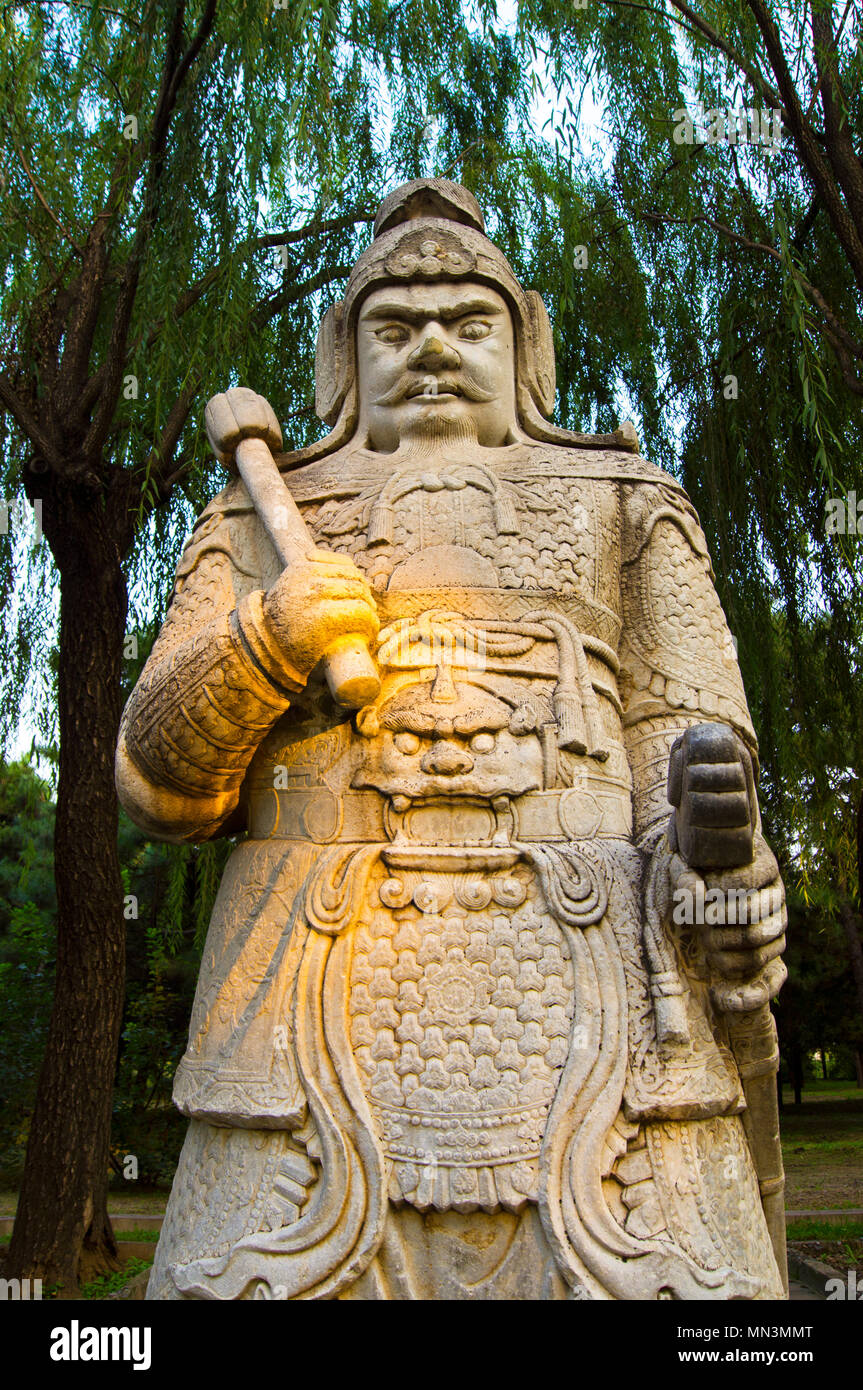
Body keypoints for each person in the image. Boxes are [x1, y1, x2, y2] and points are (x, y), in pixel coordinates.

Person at [117, 179, 787, 1300]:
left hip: (607, 987)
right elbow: (155, 784)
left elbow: (688, 754)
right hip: (301, 995)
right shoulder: (257, 512)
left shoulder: (626, 499)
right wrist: (263, 643)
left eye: (467, 322)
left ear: (526, 349)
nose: (430, 345)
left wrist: (718, 877)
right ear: (344, 356)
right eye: (394, 326)